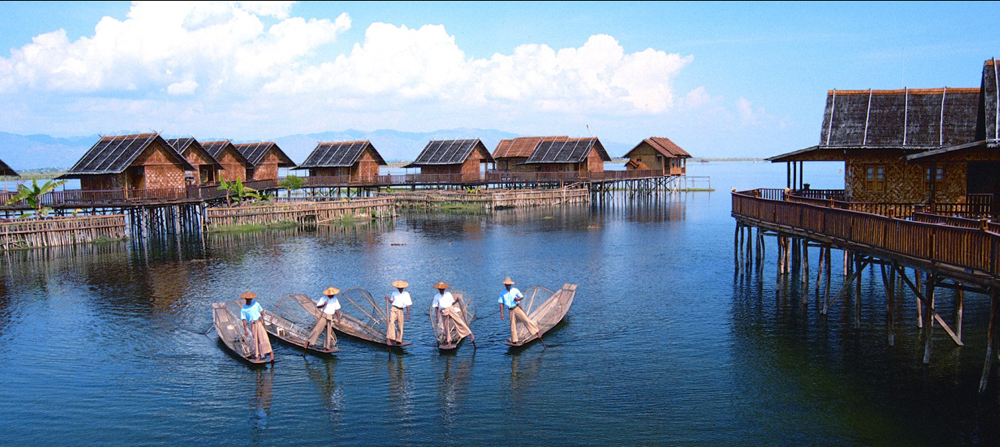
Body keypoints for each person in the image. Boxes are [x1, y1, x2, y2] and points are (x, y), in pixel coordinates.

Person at [498, 277, 541, 344]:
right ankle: (514, 340)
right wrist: (501, 313)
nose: (508, 286)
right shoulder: (502, 293)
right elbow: (501, 303)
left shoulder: (515, 290)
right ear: (505, 285)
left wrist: (518, 299)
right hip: (510, 310)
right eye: (507, 285)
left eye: (509, 285)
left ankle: (537, 332)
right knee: (512, 325)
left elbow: (521, 296)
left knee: (525, 319)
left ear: (511, 285)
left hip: (516, 308)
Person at [432, 282, 474, 347]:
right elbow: (436, 307)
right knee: (446, 326)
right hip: (443, 311)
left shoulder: (448, 294)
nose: (441, 290)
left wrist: (456, 301)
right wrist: (437, 317)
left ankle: (470, 333)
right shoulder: (436, 296)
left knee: (459, 321)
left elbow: (451, 303)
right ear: (438, 289)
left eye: (442, 289)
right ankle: (449, 342)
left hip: (450, 309)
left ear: (444, 289)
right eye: (440, 289)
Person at [240, 291, 274, 362]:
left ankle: (271, 353)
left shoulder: (256, 304)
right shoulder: (244, 309)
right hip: (253, 325)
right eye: (248, 299)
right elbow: (244, 320)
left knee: (264, 338)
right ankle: (257, 355)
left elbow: (261, 311)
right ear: (245, 299)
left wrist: (262, 315)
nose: (249, 300)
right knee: (255, 340)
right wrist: (245, 330)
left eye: (250, 299)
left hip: (259, 323)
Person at [304, 286, 340, 351]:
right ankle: (307, 342)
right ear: (328, 294)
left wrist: (338, 318)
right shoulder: (323, 298)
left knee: (329, 332)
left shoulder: (335, 299)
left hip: (330, 316)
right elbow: (318, 306)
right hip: (324, 315)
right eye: (331, 294)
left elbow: (336, 309)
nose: (332, 295)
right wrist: (323, 305)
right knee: (317, 329)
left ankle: (327, 346)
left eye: (333, 294)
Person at [384, 280, 412, 345]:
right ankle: (389, 338)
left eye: (401, 287)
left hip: (401, 310)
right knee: (391, 322)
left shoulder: (406, 294)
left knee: (400, 325)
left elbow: (408, 304)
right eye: (399, 287)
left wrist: (408, 313)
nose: (400, 288)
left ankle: (399, 339)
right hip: (394, 308)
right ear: (397, 287)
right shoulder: (394, 293)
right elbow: (392, 302)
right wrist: (388, 299)